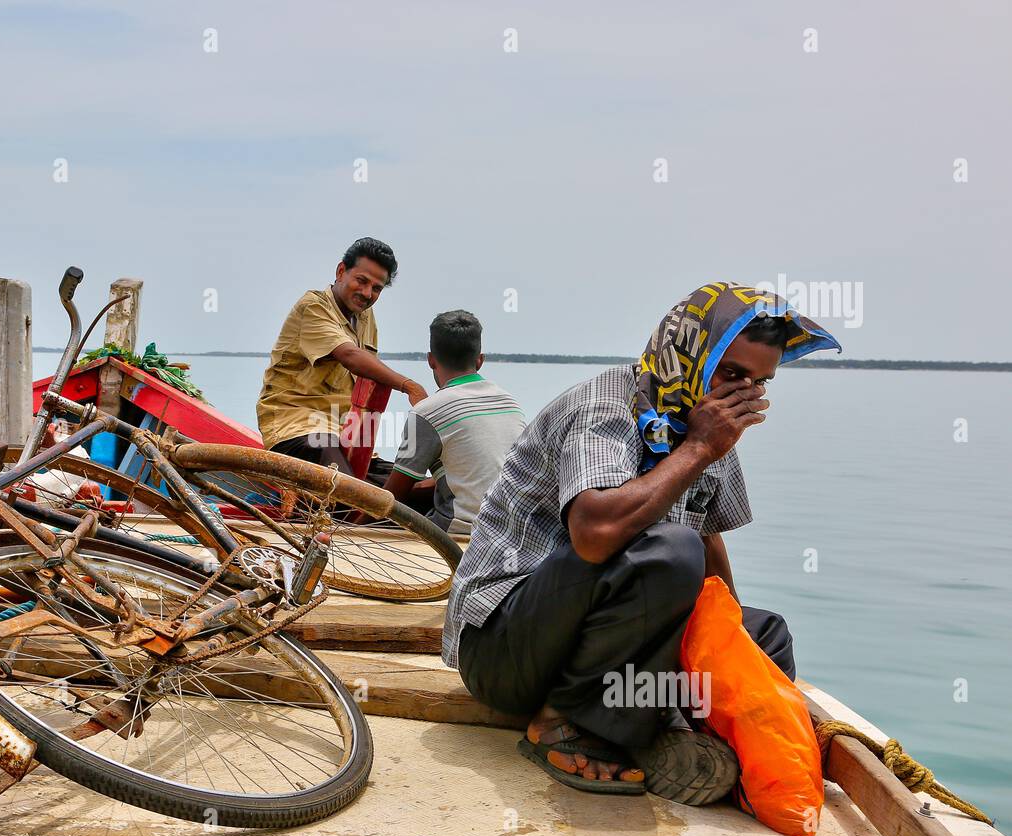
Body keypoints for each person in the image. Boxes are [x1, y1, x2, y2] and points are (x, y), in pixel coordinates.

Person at [442, 281, 842, 805]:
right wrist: (700, 447)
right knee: (671, 555)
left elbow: (711, 542)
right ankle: (558, 722)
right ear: (691, 354)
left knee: (765, 635)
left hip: (593, 650)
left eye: (760, 382)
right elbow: (594, 534)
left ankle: (679, 735)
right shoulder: (607, 406)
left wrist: (727, 641)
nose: (744, 394)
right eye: (733, 374)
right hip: (504, 650)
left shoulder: (702, 421)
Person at [256, 238, 428, 477]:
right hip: (296, 428)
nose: (367, 293)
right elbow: (349, 355)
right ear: (340, 272)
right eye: (361, 281)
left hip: (344, 434)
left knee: (405, 485)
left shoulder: (366, 317)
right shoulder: (313, 306)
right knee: (343, 485)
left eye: (377, 288)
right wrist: (408, 386)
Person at [385, 310, 525, 534]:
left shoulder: (427, 412)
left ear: (431, 360)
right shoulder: (509, 402)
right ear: (480, 360)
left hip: (464, 531)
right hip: (514, 528)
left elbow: (391, 497)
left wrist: (350, 527)